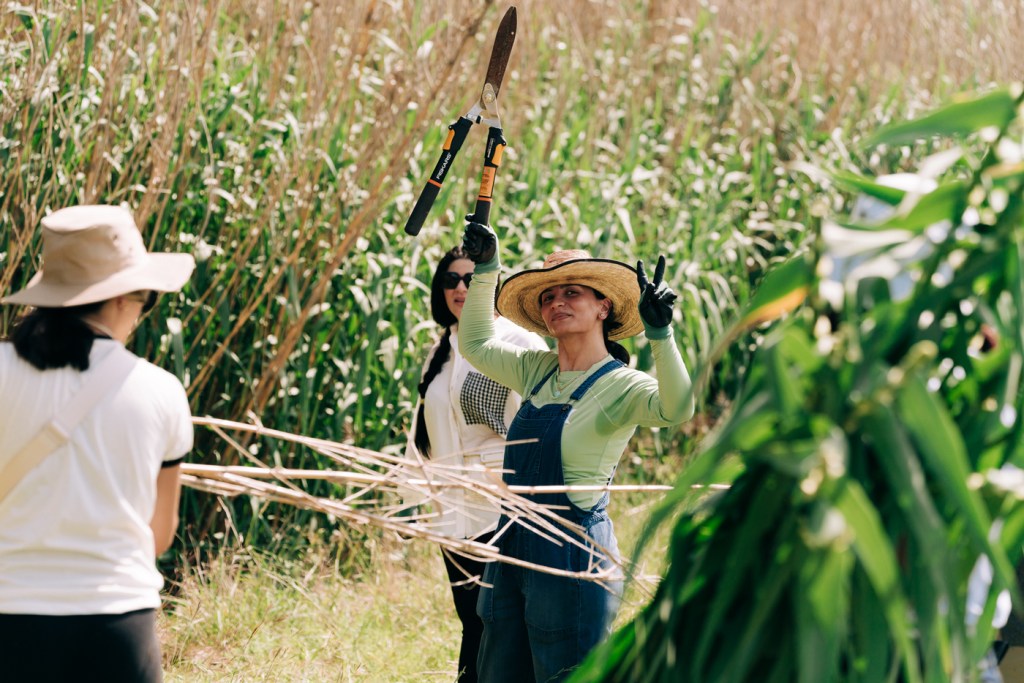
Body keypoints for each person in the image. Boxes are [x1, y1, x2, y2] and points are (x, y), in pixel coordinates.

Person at [458, 222, 695, 683]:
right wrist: (486, 268)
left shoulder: (620, 385)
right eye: (547, 297)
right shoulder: (536, 371)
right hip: (510, 550)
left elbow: (677, 408)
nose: (556, 303)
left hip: (572, 559)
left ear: (603, 306)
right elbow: (475, 344)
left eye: (572, 292)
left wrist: (661, 335)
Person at [0, 205, 195, 682]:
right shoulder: (161, 390)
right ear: (122, 300)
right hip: (118, 626)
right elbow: (160, 535)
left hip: (9, 619)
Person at [408, 245, 546, 683]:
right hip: (453, 510)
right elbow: (423, 436)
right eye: (451, 279)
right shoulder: (439, 354)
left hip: (503, 503)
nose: (461, 287)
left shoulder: (517, 342)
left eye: (471, 277)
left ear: (491, 283)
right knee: (471, 617)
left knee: (500, 622)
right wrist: (417, 498)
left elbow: (541, 423)